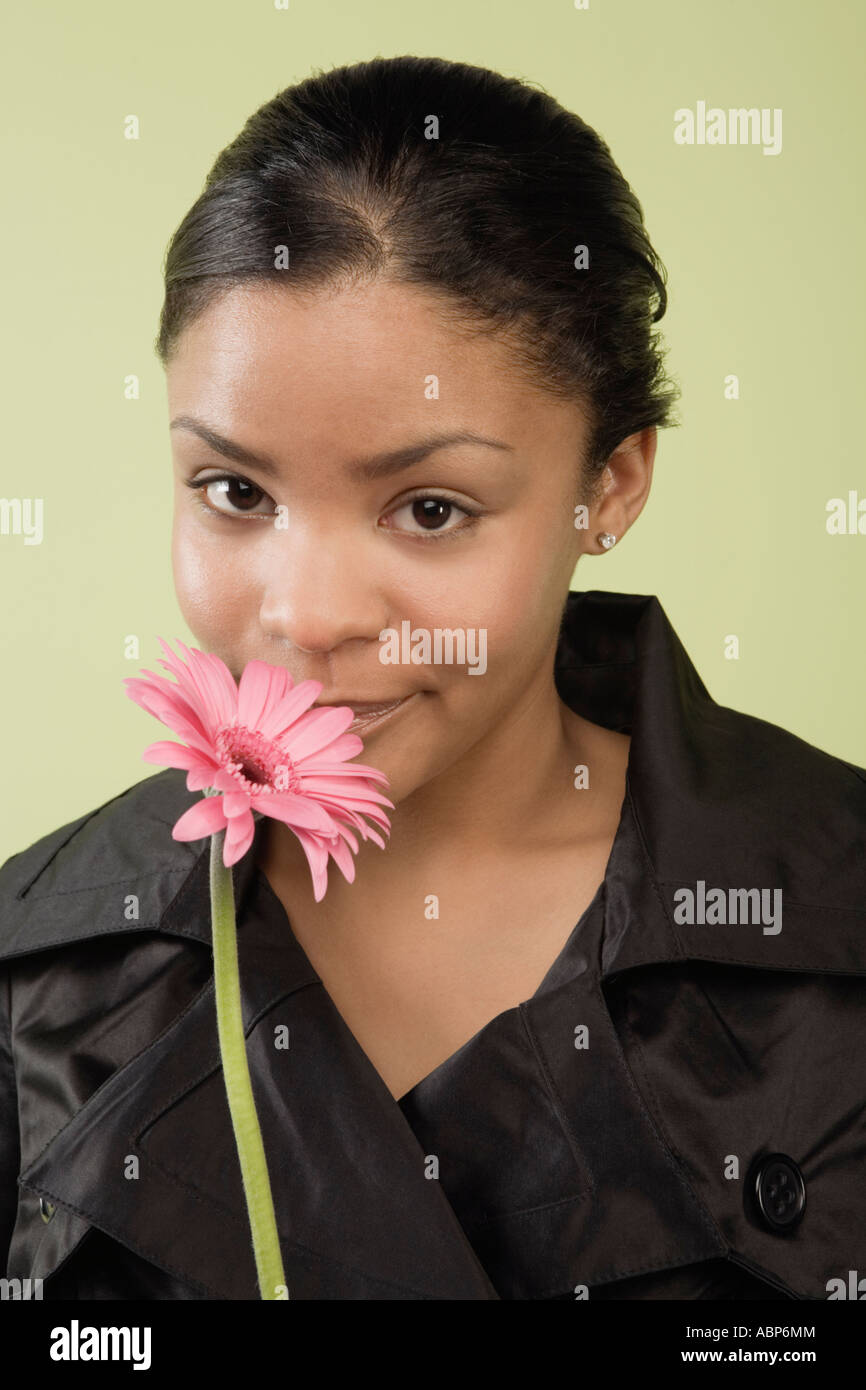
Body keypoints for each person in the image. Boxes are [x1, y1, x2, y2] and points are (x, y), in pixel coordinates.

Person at [1, 55, 864, 1301]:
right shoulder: (37, 976)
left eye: (429, 508)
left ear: (607, 485)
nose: (305, 615)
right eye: (235, 491)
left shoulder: (826, 914)